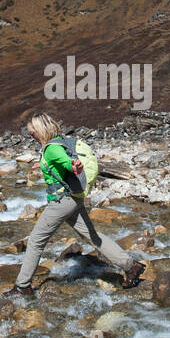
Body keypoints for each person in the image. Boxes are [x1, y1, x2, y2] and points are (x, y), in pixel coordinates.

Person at [7, 114, 145, 297]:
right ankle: (131, 266)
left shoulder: (51, 149)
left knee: (35, 241)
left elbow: (67, 163)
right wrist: (42, 165)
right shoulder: (59, 142)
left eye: (32, 133)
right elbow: (60, 164)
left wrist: (75, 166)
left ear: (41, 130)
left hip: (62, 202)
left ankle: (22, 286)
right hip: (74, 198)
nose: (31, 137)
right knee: (92, 236)